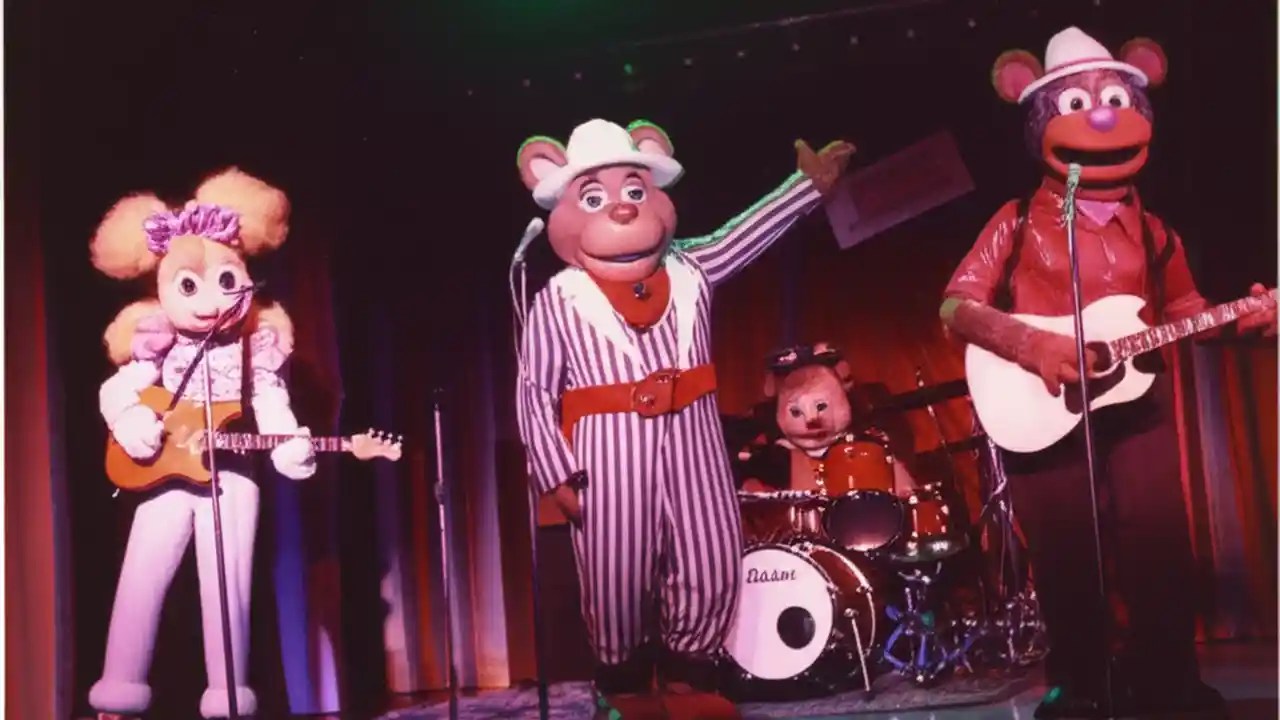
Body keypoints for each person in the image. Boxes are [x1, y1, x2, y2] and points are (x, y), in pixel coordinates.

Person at [940, 27, 1276, 719]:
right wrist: (1034, 347)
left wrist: (1243, 322)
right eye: (1077, 104)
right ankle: (1082, 682)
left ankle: (1168, 679)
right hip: (1041, 405)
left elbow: (1185, 309)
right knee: (1065, 551)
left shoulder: (1154, 231)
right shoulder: (1015, 221)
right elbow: (957, 304)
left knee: (1160, 540)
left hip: (1138, 400)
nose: (1101, 115)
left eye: (1117, 99)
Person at [514, 118, 852, 718]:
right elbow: (535, 389)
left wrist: (807, 187)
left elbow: (744, 234)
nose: (620, 209)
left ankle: (689, 682)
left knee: (709, 554)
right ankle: (624, 690)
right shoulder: (558, 299)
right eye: (594, 198)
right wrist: (555, 471)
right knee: (616, 570)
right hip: (605, 455)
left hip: (692, 440)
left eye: (634, 191)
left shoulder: (690, 266)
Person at [88, 169, 316, 719]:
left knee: (228, 588)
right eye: (189, 286)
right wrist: (130, 419)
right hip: (165, 473)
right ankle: (118, 696)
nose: (211, 301)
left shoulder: (253, 344)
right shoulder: (158, 339)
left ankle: (228, 699)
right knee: (142, 577)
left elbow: (270, 401)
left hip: (231, 473)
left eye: (224, 282)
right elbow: (117, 389)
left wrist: (288, 444)